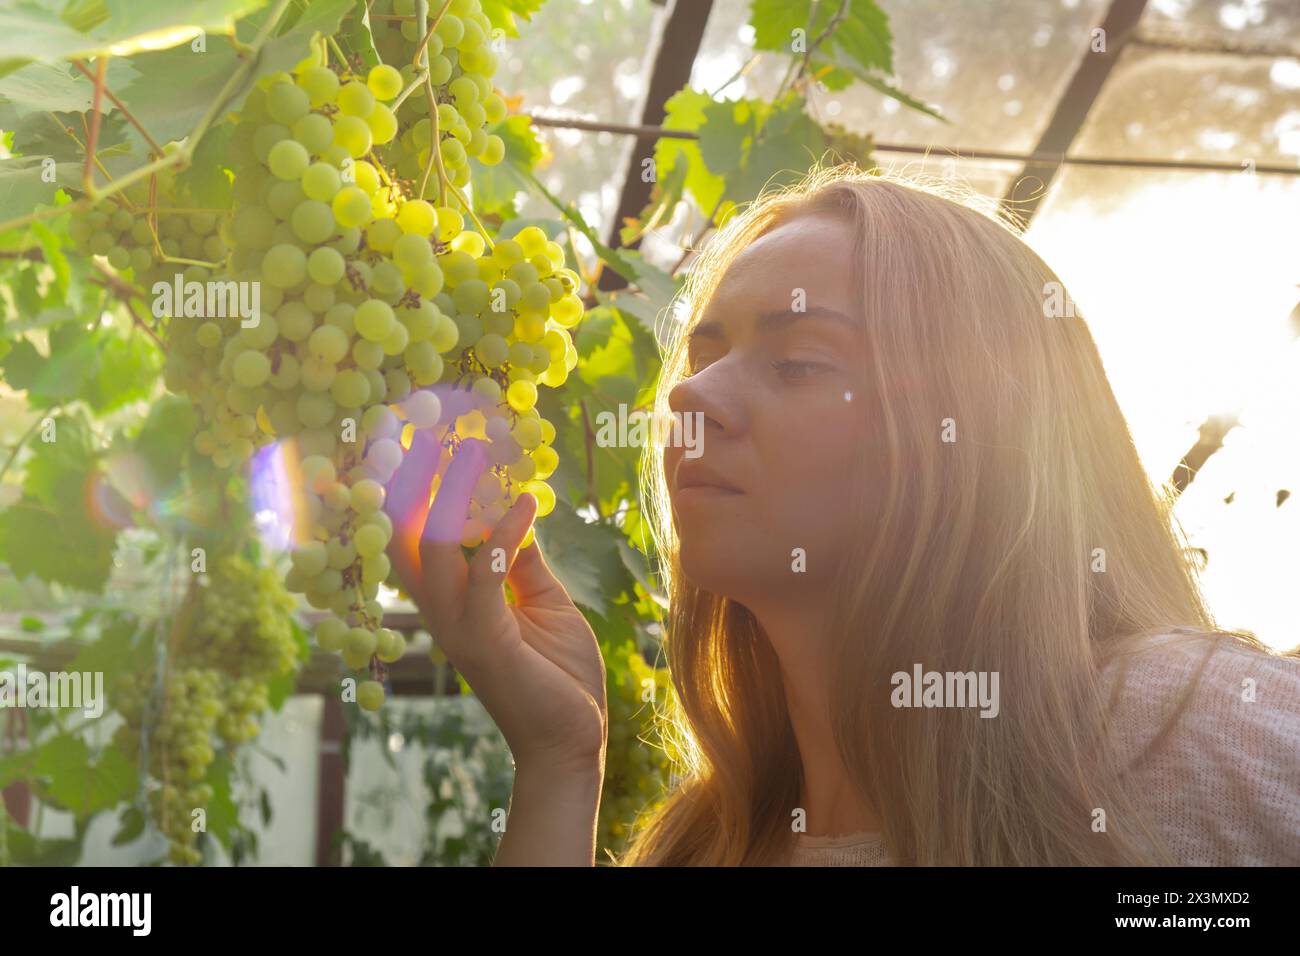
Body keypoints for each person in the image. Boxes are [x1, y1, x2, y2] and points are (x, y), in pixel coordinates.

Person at [383, 165, 1300, 866]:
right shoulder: (709, 844)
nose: (692, 396)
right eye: (702, 356)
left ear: (979, 432)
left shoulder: (1190, 740)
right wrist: (556, 761)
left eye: (799, 363)